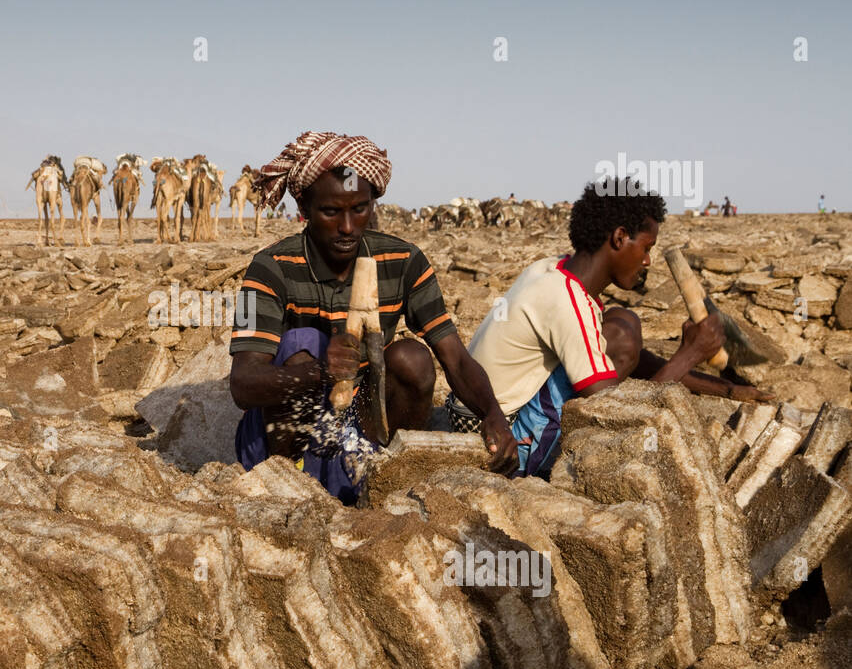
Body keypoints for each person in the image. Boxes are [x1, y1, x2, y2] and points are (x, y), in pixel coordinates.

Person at [228, 131, 517, 504]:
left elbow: (455, 357)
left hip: (360, 424)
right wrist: (318, 373)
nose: (348, 227)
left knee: (412, 358)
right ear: (304, 207)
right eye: (331, 212)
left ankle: (383, 477)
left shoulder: (404, 261)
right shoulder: (269, 269)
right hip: (284, 441)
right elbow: (243, 384)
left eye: (360, 209)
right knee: (306, 343)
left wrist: (492, 413)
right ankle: (293, 487)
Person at [458, 176, 772, 479]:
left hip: (479, 413)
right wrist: (690, 354)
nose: (648, 262)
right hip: (500, 439)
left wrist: (727, 389)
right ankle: (550, 467)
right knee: (622, 333)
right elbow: (611, 411)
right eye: (647, 248)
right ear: (620, 237)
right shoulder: (566, 300)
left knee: (622, 327)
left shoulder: (555, 270)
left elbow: (628, 356)